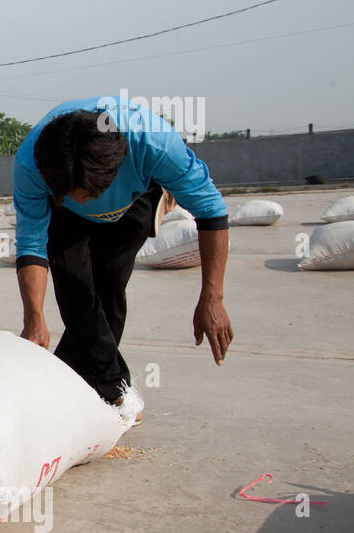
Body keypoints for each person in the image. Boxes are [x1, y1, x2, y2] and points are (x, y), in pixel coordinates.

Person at [13, 96, 233, 420]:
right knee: (76, 288)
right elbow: (32, 242)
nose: (81, 200)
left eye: (85, 196)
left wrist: (212, 297)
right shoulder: (32, 164)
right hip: (63, 214)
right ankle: (113, 388)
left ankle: (75, 379)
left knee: (109, 284)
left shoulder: (153, 142)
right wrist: (34, 319)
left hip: (135, 198)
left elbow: (211, 211)